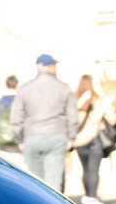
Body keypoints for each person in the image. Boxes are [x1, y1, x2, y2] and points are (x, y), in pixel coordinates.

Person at [10, 54, 77, 190]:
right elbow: (73, 116)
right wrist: (71, 137)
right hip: (56, 135)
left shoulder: (25, 88)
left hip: (32, 136)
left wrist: (20, 140)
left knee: (36, 183)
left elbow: (16, 116)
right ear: (51, 66)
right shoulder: (64, 87)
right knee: (54, 181)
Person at [71, 74, 116, 204]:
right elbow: (112, 119)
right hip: (95, 138)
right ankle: (91, 197)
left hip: (79, 140)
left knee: (85, 169)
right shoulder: (99, 100)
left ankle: (86, 195)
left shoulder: (75, 99)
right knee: (93, 169)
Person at [0, 75, 20, 151]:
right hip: (17, 139)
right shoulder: (20, 101)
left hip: (2, 138)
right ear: (17, 85)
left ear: (6, 85)